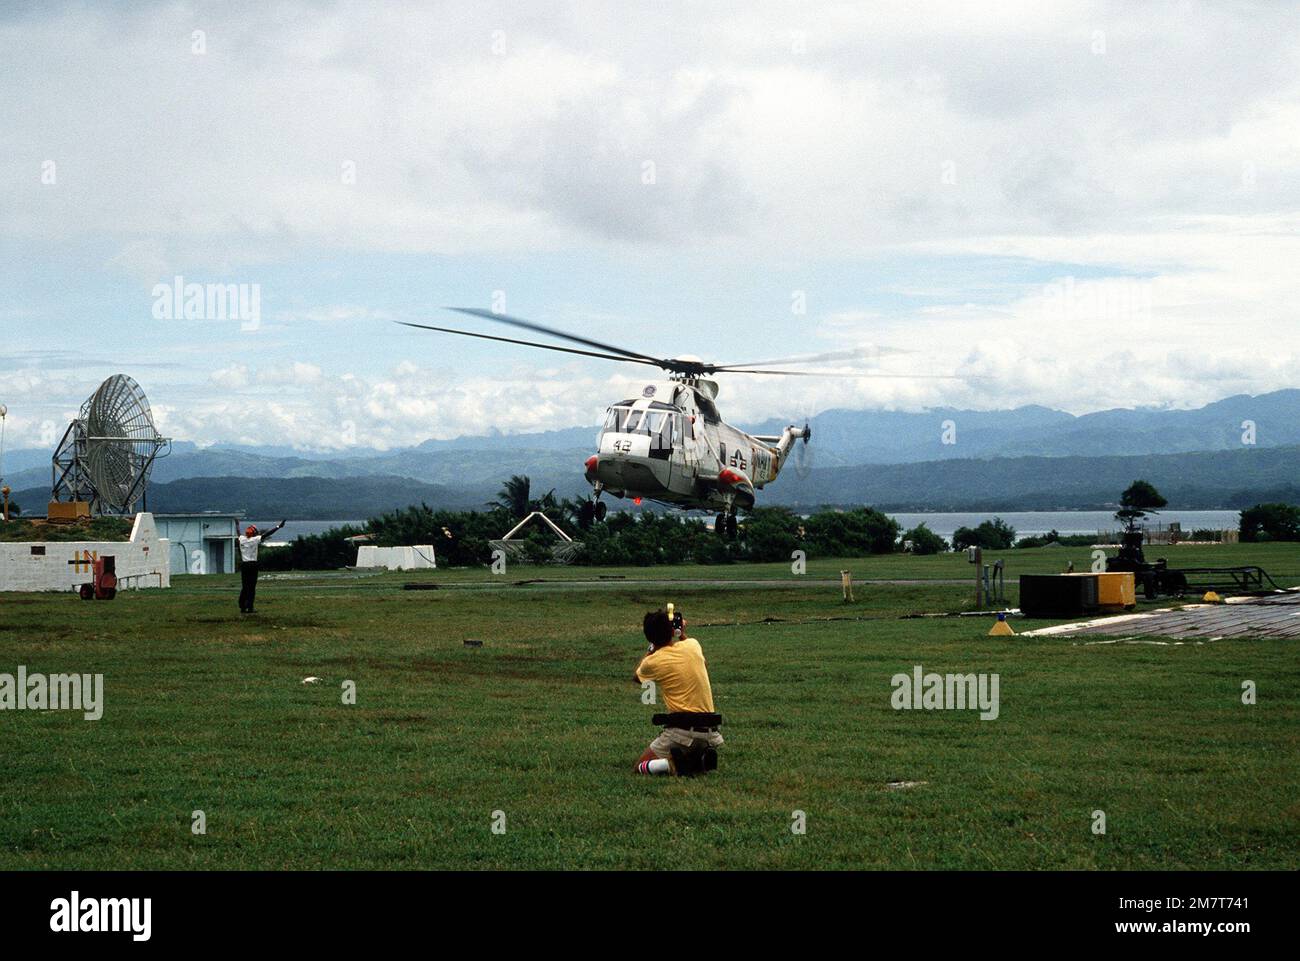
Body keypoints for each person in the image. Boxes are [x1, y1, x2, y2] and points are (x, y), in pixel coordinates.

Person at [633, 608, 723, 775]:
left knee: (641, 766)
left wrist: (651, 648)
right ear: (671, 630)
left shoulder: (653, 661)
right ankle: (700, 760)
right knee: (689, 751)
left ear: (649, 636)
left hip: (682, 731)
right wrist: (681, 633)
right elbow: (690, 649)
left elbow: (638, 676)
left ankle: (674, 766)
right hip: (711, 731)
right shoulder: (693, 645)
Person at [237, 521, 285, 613]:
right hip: (253, 565)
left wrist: (237, 524)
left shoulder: (241, 539)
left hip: (244, 565)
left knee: (245, 586)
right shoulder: (254, 540)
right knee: (252, 587)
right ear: (254, 533)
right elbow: (268, 534)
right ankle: (250, 607)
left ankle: (242, 606)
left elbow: (238, 532)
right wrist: (278, 526)